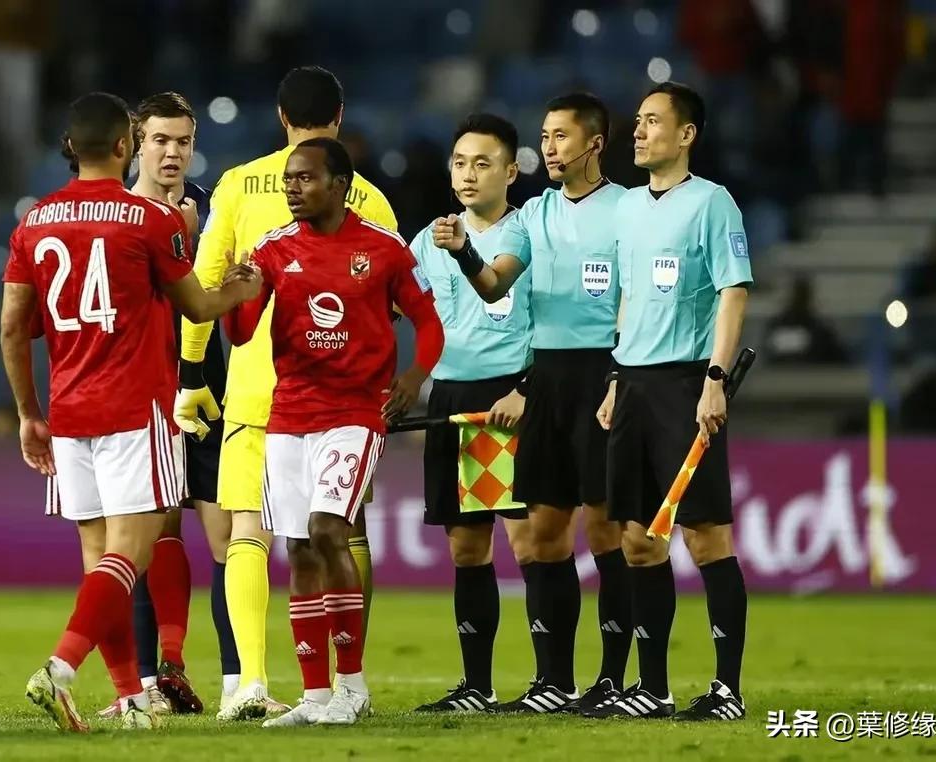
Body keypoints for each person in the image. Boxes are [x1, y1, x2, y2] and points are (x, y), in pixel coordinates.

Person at [0, 91, 261, 732]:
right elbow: (197, 306)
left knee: (101, 563)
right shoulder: (149, 220)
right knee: (130, 558)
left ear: (70, 146)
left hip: (68, 411)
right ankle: (61, 666)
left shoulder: (33, 221)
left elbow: (12, 328)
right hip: (135, 409)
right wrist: (241, 288)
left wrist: (28, 412)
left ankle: (131, 698)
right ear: (127, 145)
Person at [176, 66, 398, 721]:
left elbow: (205, 282)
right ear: (339, 118)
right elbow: (390, 299)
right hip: (344, 394)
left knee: (248, 529)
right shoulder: (366, 196)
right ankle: (349, 682)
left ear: (280, 117)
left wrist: (192, 373)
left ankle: (247, 681)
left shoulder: (239, 184)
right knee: (343, 532)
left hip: (256, 386)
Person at [223, 138, 444, 727]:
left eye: (305, 178)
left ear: (340, 185)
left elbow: (428, 323)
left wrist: (413, 378)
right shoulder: (273, 249)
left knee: (328, 531)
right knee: (297, 547)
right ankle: (316, 696)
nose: (292, 188)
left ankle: (352, 686)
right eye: (289, 178)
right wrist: (235, 295)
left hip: (353, 414)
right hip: (288, 414)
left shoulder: (384, 248)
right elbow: (242, 333)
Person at [433, 93, 631, 714]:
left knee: (606, 530)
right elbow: (495, 283)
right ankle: (555, 682)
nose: (548, 147)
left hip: (605, 372)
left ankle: (615, 680)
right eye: (544, 136)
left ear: (595, 143)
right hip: (547, 378)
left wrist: (623, 375)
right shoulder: (534, 214)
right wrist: (464, 251)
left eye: (560, 136)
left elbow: (637, 299)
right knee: (544, 535)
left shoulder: (628, 210)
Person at [591, 82, 753, 721]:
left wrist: (715, 377)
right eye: (637, 120)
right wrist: (614, 377)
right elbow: (628, 296)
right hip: (632, 385)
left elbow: (733, 291)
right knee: (637, 541)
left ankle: (727, 690)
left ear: (686, 134)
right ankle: (653, 689)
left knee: (706, 537)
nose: (638, 131)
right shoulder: (628, 207)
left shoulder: (713, 203)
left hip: (686, 385)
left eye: (652, 121)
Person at [95, 92, 238, 720]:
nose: (173, 152)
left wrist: (196, 241)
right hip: (142, 391)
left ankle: (239, 684)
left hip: (207, 389)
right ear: (135, 143)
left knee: (227, 534)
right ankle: (150, 681)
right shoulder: (115, 215)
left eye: (183, 141)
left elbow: (221, 294)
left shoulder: (212, 210)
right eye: (160, 140)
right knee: (149, 535)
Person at [410, 114, 535, 713]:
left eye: (482, 163)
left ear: (510, 172)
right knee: (467, 548)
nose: (468, 174)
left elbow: (514, 298)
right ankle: (477, 688)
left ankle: (553, 681)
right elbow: (400, 315)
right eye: (459, 162)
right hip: (451, 397)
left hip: (509, 396)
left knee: (531, 543)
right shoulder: (425, 240)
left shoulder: (526, 233)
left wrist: (529, 389)